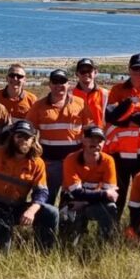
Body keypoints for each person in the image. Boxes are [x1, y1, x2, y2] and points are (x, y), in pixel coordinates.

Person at [0, 120, 58, 252]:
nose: (23, 140)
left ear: (33, 140)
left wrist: (31, 211)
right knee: (2, 251)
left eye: (27, 137)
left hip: (16, 208)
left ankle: (44, 252)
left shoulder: (37, 163)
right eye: (19, 136)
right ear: (12, 137)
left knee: (51, 212)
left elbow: (41, 192)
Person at [105, 53, 140, 214]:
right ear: (129, 70)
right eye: (135, 69)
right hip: (119, 151)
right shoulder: (117, 89)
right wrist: (134, 112)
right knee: (119, 192)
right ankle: (113, 229)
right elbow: (111, 116)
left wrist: (125, 114)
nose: (138, 72)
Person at [26, 69, 88, 204]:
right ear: (50, 84)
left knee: (72, 199)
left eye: (62, 81)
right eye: (55, 82)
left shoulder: (81, 103)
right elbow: (28, 132)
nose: (59, 85)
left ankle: (68, 225)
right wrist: (33, 156)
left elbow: (88, 130)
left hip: (74, 163)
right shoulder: (39, 105)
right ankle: (44, 224)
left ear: (69, 84)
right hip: (49, 162)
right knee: (46, 197)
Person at [60, 125, 118, 245]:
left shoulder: (108, 161)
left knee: (110, 208)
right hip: (71, 203)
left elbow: (111, 196)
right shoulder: (71, 159)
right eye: (91, 139)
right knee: (69, 241)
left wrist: (85, 203)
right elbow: (76, 192)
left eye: (99, 141)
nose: (95, 143)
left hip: (87, 204)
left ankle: (102, 247)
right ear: (83, 140)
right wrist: (104, 194)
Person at [72, 58, 108, 127]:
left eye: (89, 71)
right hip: (77, 136)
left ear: (95, 72)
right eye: (82, 71)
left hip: (99, 135)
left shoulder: (105, 94)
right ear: (77, 73)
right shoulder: (70, 95)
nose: (86, 74)